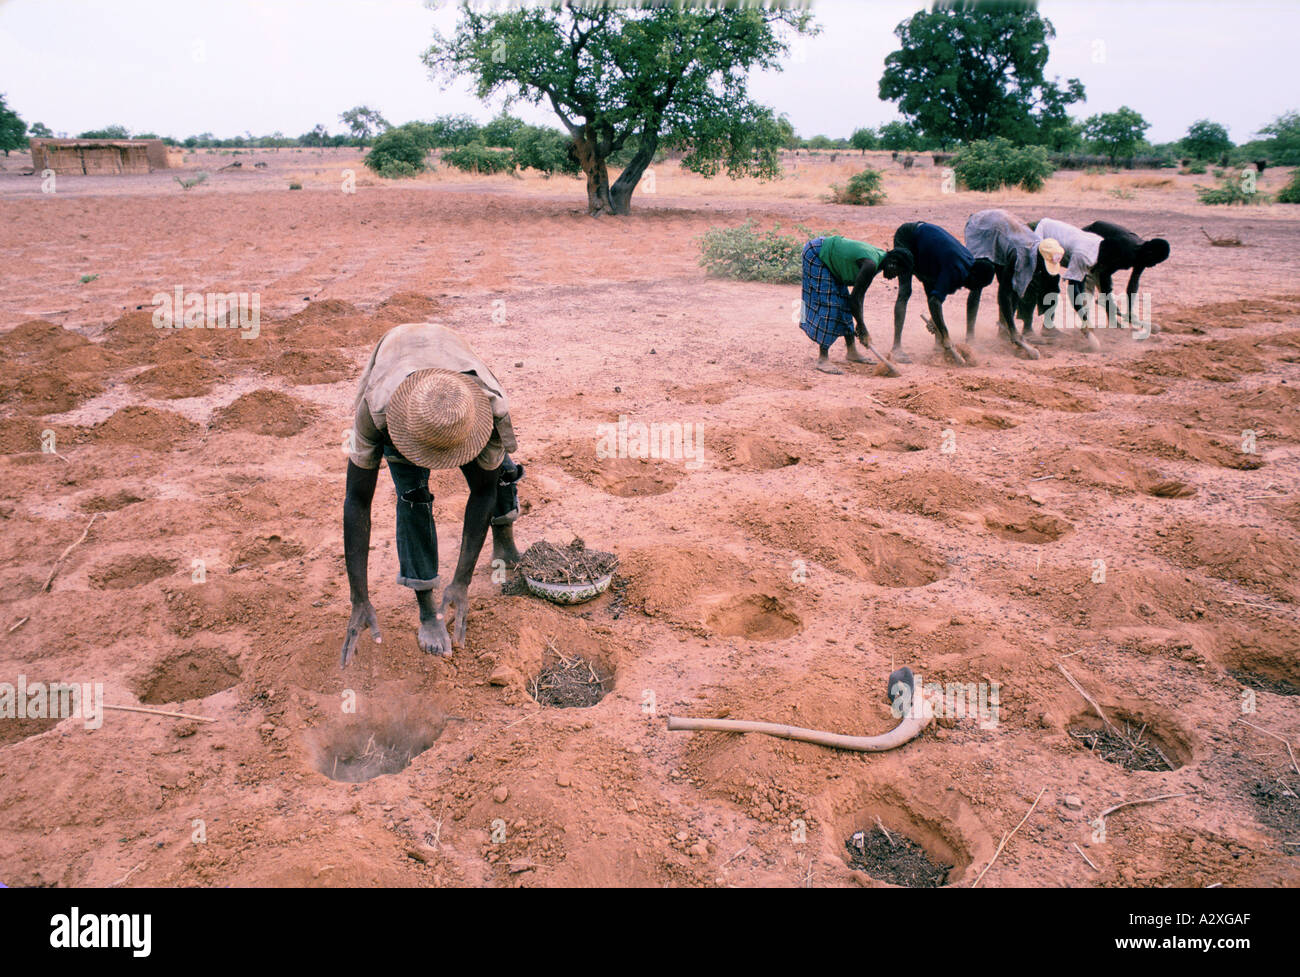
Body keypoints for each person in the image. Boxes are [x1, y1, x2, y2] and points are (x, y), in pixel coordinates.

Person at [341, 322, 523, 667]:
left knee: (496, 469)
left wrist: (461, 583)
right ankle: (426, 611)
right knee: (413, 497)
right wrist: (359, 599)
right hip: (398, 358)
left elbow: (483, 492)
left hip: (448, 350)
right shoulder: (377, 409)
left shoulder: (488, 405)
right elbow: (356, 500)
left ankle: (504, 540)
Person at [881, 221, 996, 365]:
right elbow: (935, 301)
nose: (972, 289)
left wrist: (934, 320)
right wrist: (946, 335)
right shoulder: (956, 267)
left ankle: (938, 344)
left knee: (932, 290)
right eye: (976, 286)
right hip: (908, 237)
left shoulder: (967, 263)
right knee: (905, 291)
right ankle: (896, 347)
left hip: (927, 250)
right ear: (973, 277)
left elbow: (936, 296)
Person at [962, 209, 1065, 359]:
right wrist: (1014, 330)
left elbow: (1016, 290)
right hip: (983, 228)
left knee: (1006, 279)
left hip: (1002, 230)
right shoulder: (1020, 254)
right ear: (1041, 258)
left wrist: (1010, 330)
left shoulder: (1037, 250)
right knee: (979, 279)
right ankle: (970, 335)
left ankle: (1003, 331)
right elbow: (1004, 294)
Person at [798, 234, 898, 375]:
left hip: (832, 260)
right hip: (817, 254)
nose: (895, 276)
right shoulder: (871, 264)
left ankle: (852, 352)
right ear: (893, 263)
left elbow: (857, 298)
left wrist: (861, 325)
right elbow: (855, 299)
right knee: (830, 305)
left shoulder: (880, 260)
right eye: (897, 271)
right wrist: (862, 326)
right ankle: (822, 359)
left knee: (844, 302)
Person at [1081, 220, 1170, 333]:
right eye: (1155, 261)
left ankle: (1112, 321)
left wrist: (1129, 311)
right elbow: (1103, 274)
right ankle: (1086, 328)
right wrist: (1108, 300)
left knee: (1104, 286)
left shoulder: (1142, 255)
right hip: (1087, 239)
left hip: (1103, 253)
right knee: (1088, 285)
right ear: (1150, 254)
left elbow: (1133, 283)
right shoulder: (1127, 252)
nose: (1154, 265)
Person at [1031, 217, 1106, 350]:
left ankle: (1048, 327)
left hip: (1052, 242)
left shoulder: (1097, 247)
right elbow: (1072, 288)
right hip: (1037, 232)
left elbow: (1079, 281)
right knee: (1032, 283)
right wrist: (1084, 318)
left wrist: (1084, 317)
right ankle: (1021, 329)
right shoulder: (1084, 255)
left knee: (1052, 285)